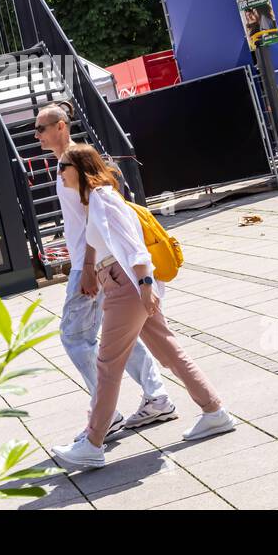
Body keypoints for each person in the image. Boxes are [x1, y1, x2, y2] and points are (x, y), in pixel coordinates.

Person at [51, 144, 237, 469]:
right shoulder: (93, 201)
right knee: (169, 351)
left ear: (79, 170)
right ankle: (214, 411)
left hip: (127, 286)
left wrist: (146, 285)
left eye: (63, 167)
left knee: (107, 366)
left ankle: (93, 443)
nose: (58, 173)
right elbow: (96, 242)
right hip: (122, 283)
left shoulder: (102, 198)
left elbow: (134, 245)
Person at [33, 104, 175, 437]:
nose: (36, 134)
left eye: (41, 128)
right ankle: (156, 396)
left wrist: (85, 268)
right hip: (99, 264)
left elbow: (94, 219)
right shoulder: (66, 163)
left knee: (75, 336)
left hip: (92, 265)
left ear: (61, 127)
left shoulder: (75, 165)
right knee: (121, 333)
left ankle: (105, 412)